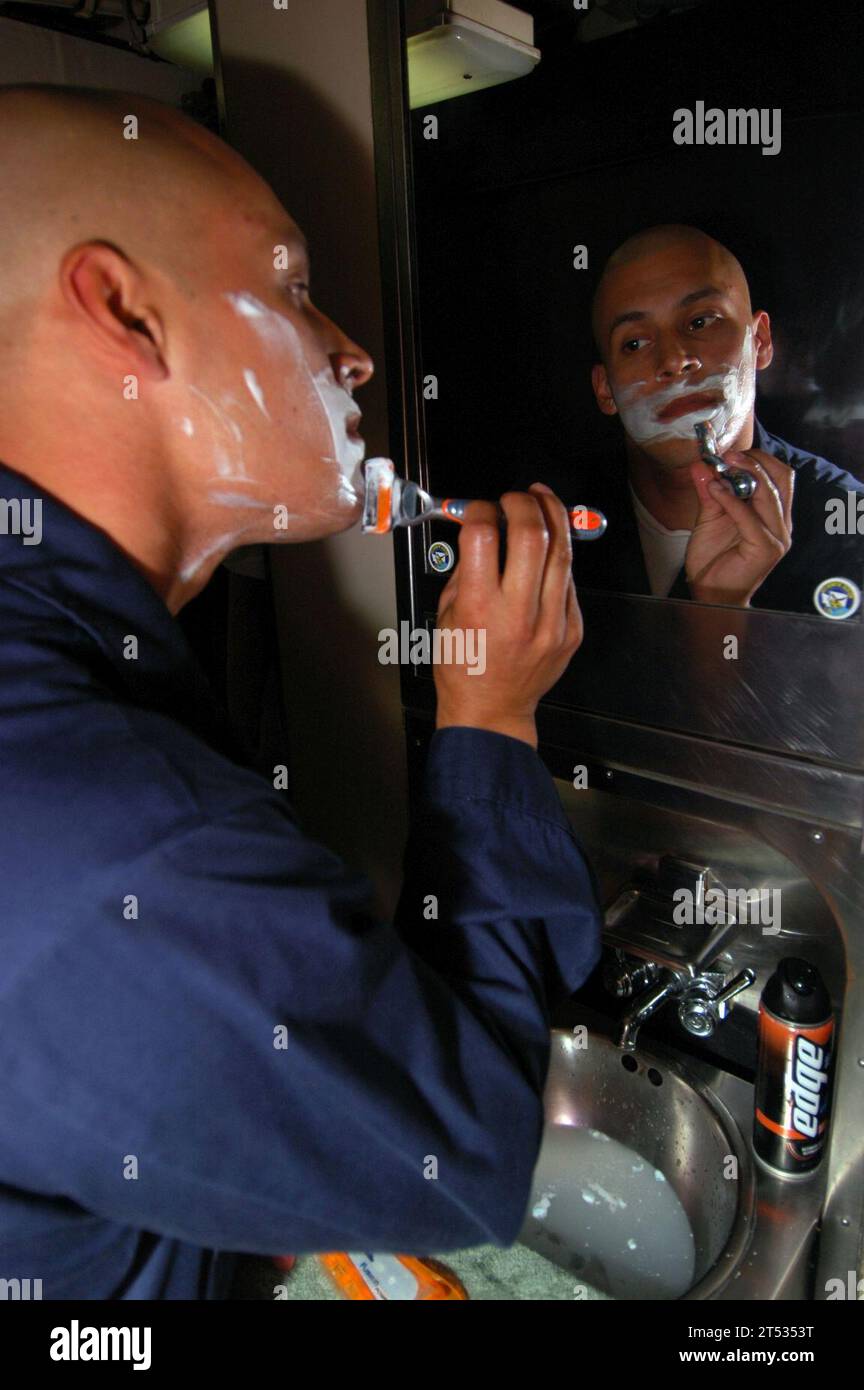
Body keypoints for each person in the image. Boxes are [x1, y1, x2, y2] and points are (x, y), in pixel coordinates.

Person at [0, 85, 601, 1299]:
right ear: (127, 315)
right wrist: (489, 722)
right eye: (287, 286)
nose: (353, 350)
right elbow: (461, 1156)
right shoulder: (120, 847)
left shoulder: (69, 669)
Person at [581, 224, 864, 614]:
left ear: (760, 341)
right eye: (634, 343)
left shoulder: (849, 523)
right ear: (605, 389)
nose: (674, 361)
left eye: (701, 322)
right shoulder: (555, 524)